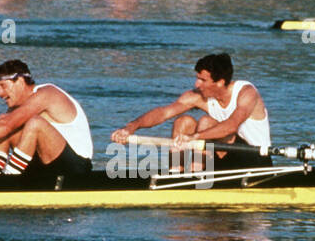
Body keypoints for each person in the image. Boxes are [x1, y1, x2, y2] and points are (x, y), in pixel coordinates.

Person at [110, 53, 271, 172]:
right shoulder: (198, 96)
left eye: (203, 80)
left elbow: (231, 126)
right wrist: (131, 127)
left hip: (254, 158)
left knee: (205, 122)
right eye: (197, 78)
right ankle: (177, 175)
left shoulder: (246, 93)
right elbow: (163, 113)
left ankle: (198, 177)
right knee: (184, 122)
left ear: (220, 82)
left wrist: (195, 137)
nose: (197, 84)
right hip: (219, 157)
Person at [0, 60, 93, 179]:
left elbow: (6, 125)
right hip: (47, 165)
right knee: (2, 124)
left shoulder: (47, 93)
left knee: (31, 123)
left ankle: (10, 180)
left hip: (76, 168)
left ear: (19, 81)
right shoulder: (17, 108)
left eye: (3, 86)